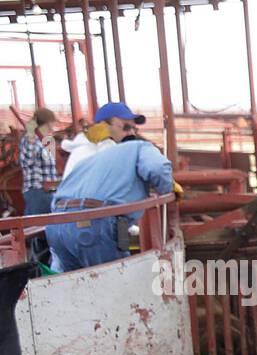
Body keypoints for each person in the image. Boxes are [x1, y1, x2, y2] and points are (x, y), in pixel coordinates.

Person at [45, 102, 173, 271]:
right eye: (127, 127)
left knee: (72, 288)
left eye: (135, 129)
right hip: (95, 223)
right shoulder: (139, 147)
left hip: (57, 225)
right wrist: (167, 190)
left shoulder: (85, 156)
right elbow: (156, 168)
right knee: (117, 283)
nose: (132, 133)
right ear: (104, 126)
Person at [19, 107, 60, 216]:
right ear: (47, 123)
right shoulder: (30, 139)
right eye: (52, 123)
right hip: (37, 191)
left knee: (36, 228)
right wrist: (30, 131)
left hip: (45, 192)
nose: (53, 127)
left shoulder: (42, 141)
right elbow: (29, 159)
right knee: (38, 228)